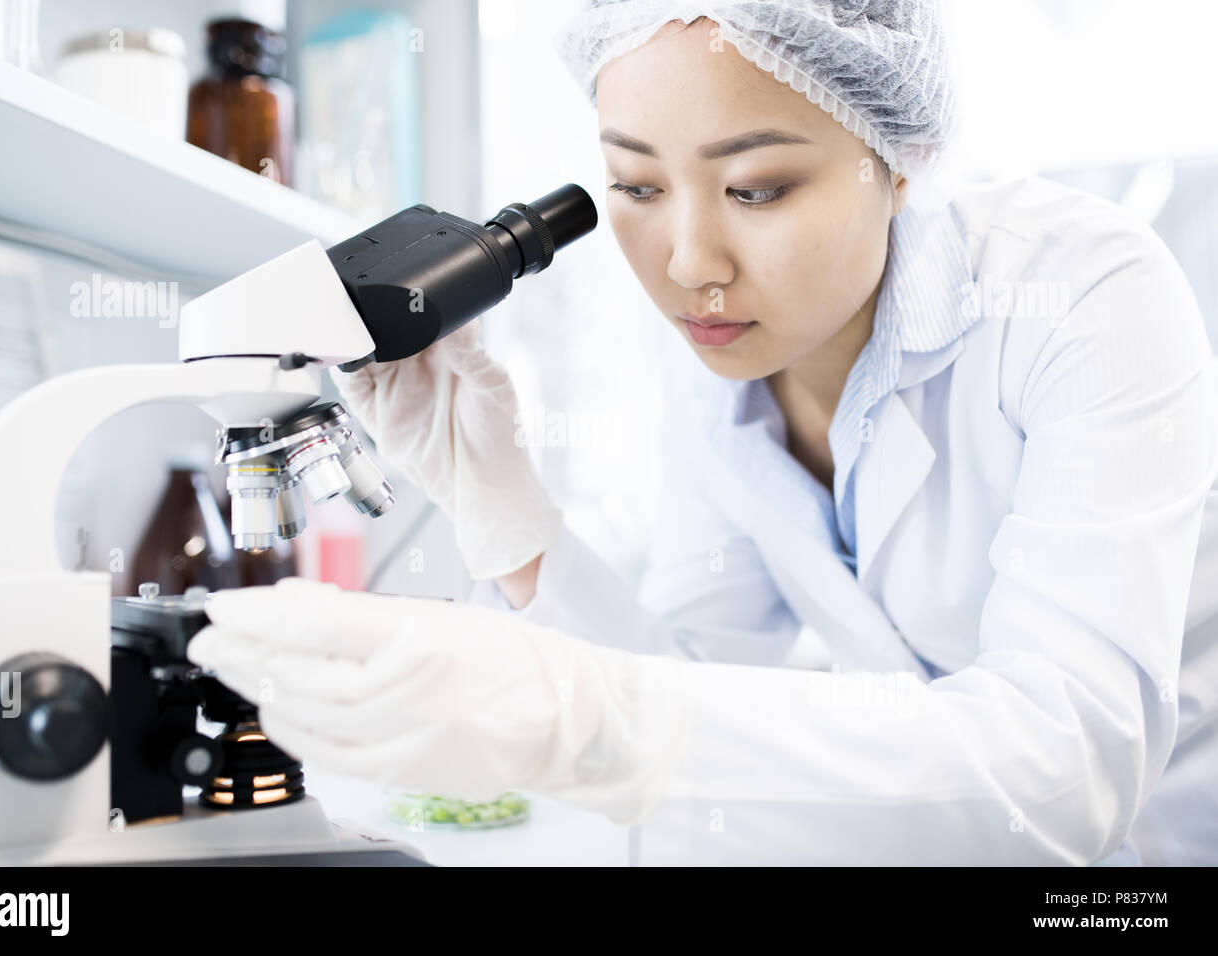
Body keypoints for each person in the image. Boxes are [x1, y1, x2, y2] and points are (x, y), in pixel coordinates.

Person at [187, 0, 1218, 865]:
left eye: (756, 187)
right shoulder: (723, 370)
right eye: (635, 186)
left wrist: (584, 714)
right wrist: (504, 512)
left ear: (898, 156)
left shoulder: (1084, 294)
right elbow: (686, 682)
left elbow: (1067, 765)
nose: (686, 262)